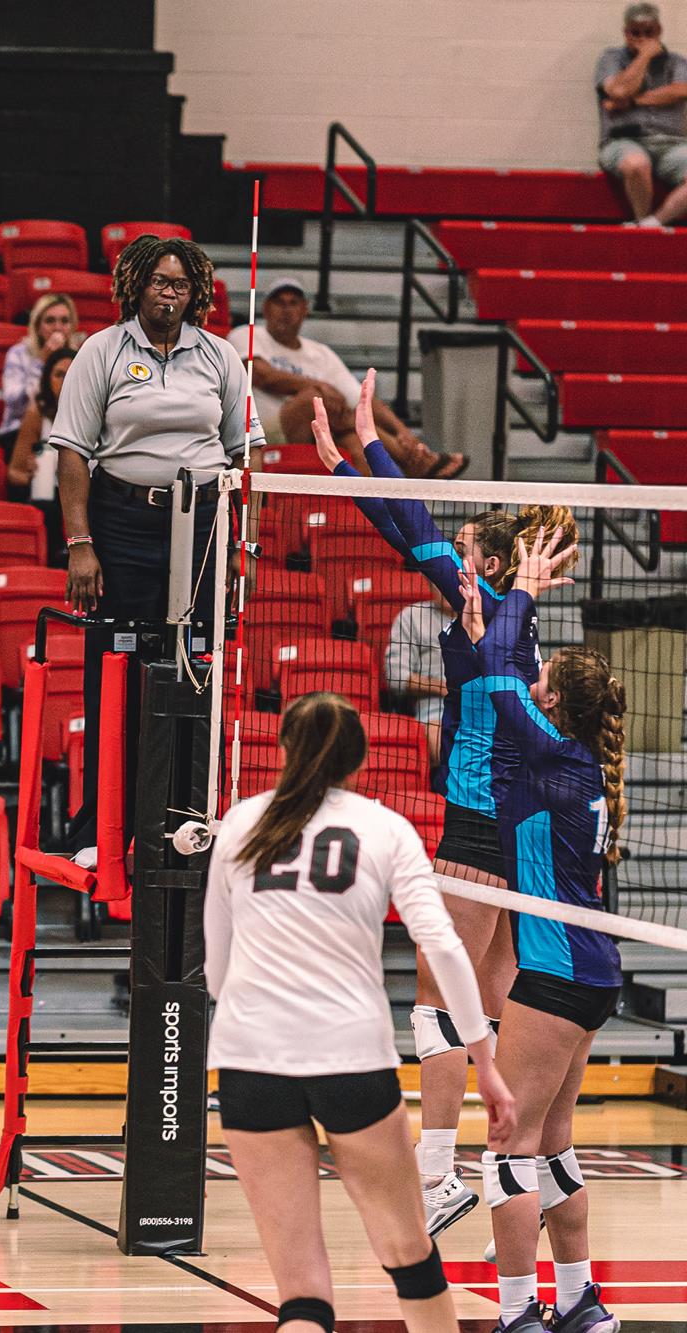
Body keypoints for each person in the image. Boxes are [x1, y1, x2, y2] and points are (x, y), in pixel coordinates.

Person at [311, 375, 580, 1237]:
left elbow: (415, 525)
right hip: (510, 823)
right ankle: (510, 1170)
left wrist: (369, 439)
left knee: (436, 999)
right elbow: (403, 529)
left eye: (465, 548)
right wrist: (341, 466)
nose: (451, 556)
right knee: (487, 1005)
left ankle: (433, 1175)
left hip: (476, 820)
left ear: (490, 564)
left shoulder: (488, 606)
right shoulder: (504, 611)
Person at [207, 692, 513, 1333]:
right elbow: (445, 949)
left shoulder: (239, 824)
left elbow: (216, 967)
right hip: (348, 1056)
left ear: (283, 751)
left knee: (302, 1299)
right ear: (361, 762)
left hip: (249, 1059)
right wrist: (485, 1062)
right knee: (411, 1259)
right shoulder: (384, 828)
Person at [49, 233, 265, 854]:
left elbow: (244, 457)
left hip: (201, 526)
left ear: (196, 294)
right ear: (136, 286)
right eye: (159, 282)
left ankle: (186, 819)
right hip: (122, 523)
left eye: (181, 285)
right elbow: (72, 453)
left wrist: (240, 547)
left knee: (196, 672)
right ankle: (104, 825)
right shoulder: (102, 350)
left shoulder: (221, 356)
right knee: (116, 671)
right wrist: (80, 543)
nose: (170, 294)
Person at [463, 535, 626, 1333]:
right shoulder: (577, 764)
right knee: (553, 1144)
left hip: (557, 971)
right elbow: (498, 666)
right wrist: (493, 621)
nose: (533, 680)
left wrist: (522, 587)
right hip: (592, 974)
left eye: (545, 677)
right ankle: (581, 1300)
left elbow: (500, 671)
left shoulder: (555, 758)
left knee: (508, 1146)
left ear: (553, 701)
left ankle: (520, 1313)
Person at [232, 278, 463, 479]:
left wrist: (404, 432)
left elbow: (362, 399)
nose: (286, 310)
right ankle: (410, 460)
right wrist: (320, 386)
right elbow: (263, 376)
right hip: (266, 429)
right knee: (315, 399)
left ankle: (368, 510)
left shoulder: (320, 353)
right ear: (266, 308)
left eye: (293, 303)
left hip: (322, 431)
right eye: (279, 303)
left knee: (357, 443)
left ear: (304, 310)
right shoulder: (246, 334)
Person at [595, 1, 687, 227]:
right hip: (623, 140)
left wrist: (633, 102)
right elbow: (619, 91)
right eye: (635, 33)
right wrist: (644, 57)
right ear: (626, 33)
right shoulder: (611, 59)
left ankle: (652, 223)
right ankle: (642, 223)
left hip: (672, 144)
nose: (642, 38)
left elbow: (680, 90)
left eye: (649, 32)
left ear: (659, 31)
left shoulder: (676, 62)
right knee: (636, 163)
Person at [0, 292, 84, 443]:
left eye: (64, 321)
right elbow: (16, 405)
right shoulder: (19, 353)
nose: (58, 328)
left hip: (65, 431)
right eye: (50, 321)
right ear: (37, 326)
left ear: (72, 327)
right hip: (19, 431)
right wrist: (41, 363)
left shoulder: (79, 356)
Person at [385, 594, 451, 769]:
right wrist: (442, 687)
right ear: (430, 583)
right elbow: (396, 676)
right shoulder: (412, 616)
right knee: (445, 748)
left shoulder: (487, 615)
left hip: (485, 701)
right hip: (436, 705)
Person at [6, 343, 77, 501]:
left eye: (71, 374)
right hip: (50, 498)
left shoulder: (98, 413)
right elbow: (14, 473)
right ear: (47, 380)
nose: (65, 381)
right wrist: (32, 476)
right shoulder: (37, 414)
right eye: (59, 375)